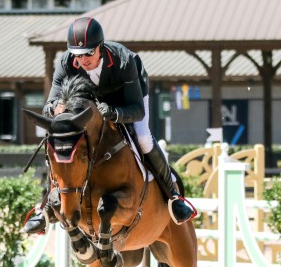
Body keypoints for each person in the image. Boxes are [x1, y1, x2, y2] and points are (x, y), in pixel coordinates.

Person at [22, 16, 195, 234]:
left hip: (126, 99)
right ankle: (46, 209)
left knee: (142, 136)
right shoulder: (67, 62)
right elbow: (51, 102)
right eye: (78, 54)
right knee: (61, 143)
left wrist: (114, 113)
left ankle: (173, 197)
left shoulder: (124, 60)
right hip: (91, 103)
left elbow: (136, 110)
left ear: (100, 48)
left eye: (88, 54)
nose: (83, 60)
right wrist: (54, 108)